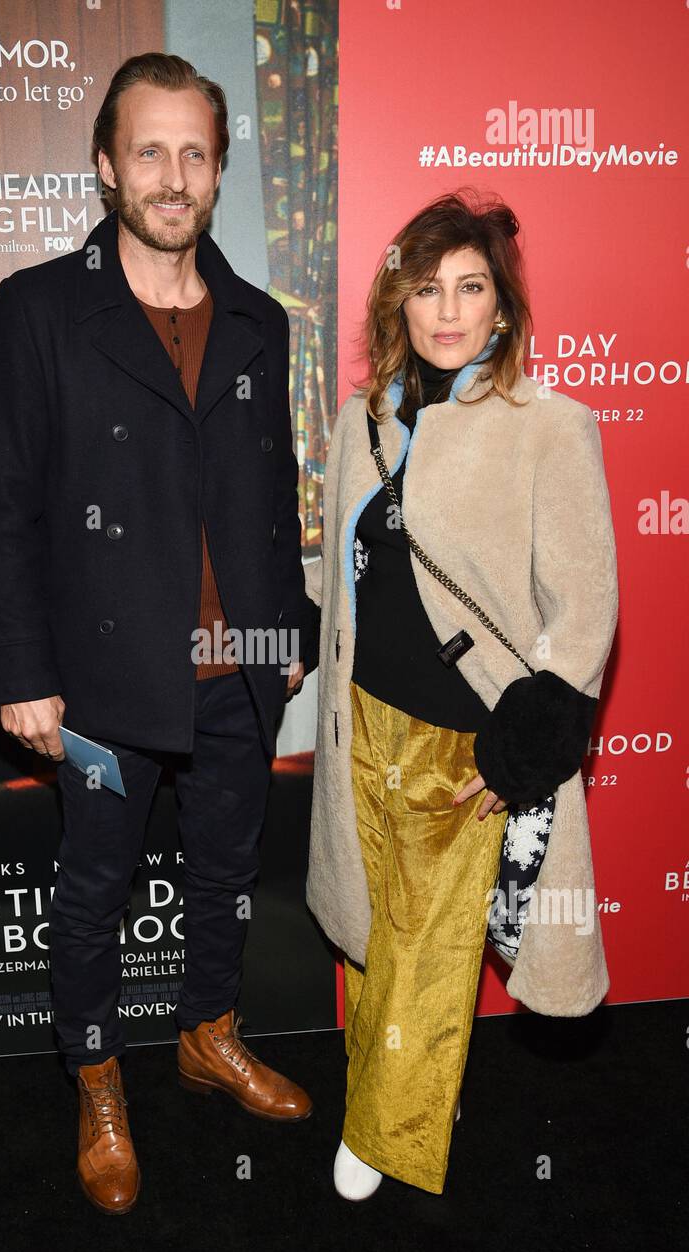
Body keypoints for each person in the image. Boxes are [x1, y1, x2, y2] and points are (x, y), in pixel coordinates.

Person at [0, 52, 319, 1215]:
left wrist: (293, 630)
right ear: (108, 166)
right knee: (94, 887)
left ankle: (209, 1034)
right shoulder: (39, 308)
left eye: (195, 154)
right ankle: (98, 1073)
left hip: (241, 665)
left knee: (223, 878)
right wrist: (20, 669)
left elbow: (272, 494)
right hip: (104, 673)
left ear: (219, 171)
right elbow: (4, 503)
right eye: (150, 151)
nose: (174, 176)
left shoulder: (261, 322)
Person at [303, 189, 618, 1200]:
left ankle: (386, 1132)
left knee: (429, 944)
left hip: (464, 741)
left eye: (470, 287)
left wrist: (519, 749)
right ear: (399, 299)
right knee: (380, 922)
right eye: (428, 286)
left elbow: (586, 607)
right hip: (363, 720)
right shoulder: (364, 417)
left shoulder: (549, 426)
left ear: (503, 308)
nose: (447, 310)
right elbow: (342, 572)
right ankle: (403, 1084)